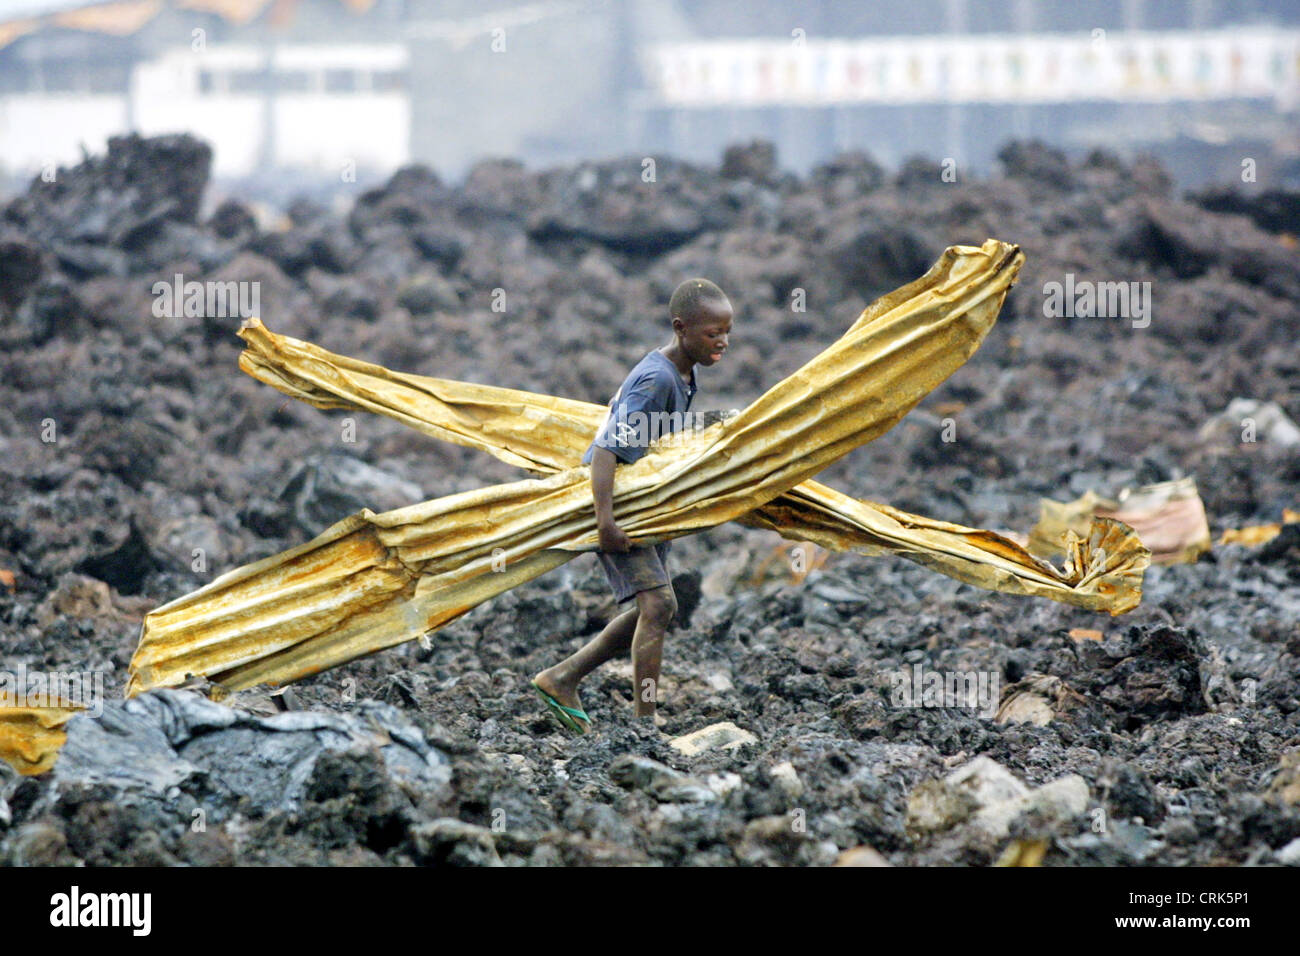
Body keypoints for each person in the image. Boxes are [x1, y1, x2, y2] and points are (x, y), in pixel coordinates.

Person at [532, 278, 734, 733]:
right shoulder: (657, 379)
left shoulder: (684, 372)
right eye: (711, 333)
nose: (722, 341)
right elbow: (606, 450)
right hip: (618, 502)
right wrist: (605, 521)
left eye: (727, 332)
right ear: (681, 328)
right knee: (659, 607)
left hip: (646, 504)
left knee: (654, 609)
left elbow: (650, 431)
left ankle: (560, 678)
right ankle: (645, 725)